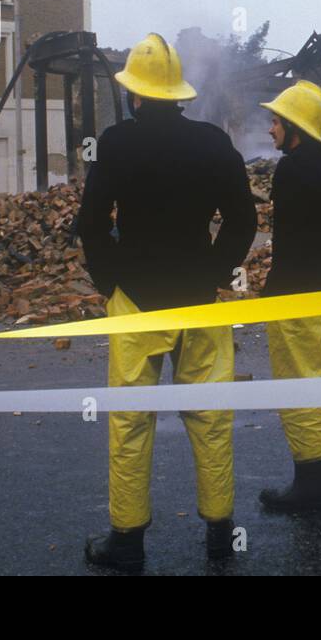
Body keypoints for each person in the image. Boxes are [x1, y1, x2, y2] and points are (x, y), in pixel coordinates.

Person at [76, 33, 257, 571]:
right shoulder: (213, 143)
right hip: (199, 301)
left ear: (135, 96)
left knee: (130, 420)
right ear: (178, 94)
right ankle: (221, 533)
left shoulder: (116, 144)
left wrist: (109, 280)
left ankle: (127, 540)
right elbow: (243, 219)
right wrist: (216, 271)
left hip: (136, 300)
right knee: (211, 416)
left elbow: (90, 221)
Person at [256, 80, 321, 511]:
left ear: (295, 126)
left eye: (276, 121)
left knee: (302, 386)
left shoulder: (292, 171)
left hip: (295, 296)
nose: (270, 130)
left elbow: (290, 243)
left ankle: (309, 485)